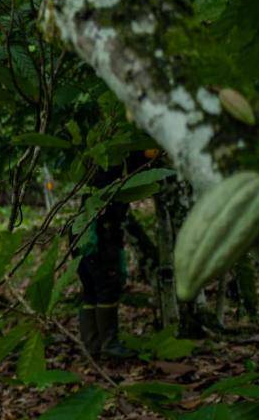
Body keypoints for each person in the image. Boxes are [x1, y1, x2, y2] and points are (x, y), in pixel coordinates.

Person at [75, 148, 154, 360]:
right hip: (100, 235)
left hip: (82, 234)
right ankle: (109, 345)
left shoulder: (98, 166)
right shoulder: (115, 168)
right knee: (105, 287)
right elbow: (144, 160)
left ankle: (92, 346)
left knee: (91, 290)